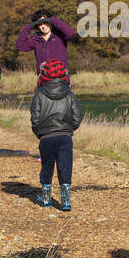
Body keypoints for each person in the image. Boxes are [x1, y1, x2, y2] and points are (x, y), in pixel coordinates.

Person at [29, 59, 82, 211]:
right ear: (63, 74)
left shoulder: (39, 94)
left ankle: (46, 198)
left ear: (45, 74)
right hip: (65, 136)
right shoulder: (69, 94)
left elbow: (35, 119)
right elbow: (77, 117)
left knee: (47, 166)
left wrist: (40, 133)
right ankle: (65, 200)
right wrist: (69, 129)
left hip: (46, 137)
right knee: (65, 166)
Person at [15, 9, 76, 77]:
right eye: (40, 24)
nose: (43, 26)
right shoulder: (35, 38)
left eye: (45, 22)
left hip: (61, 79)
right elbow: (19, 45)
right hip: (43, 80)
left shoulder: (59, 35)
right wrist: (29, 27)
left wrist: (52, 20)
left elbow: (71, 33)